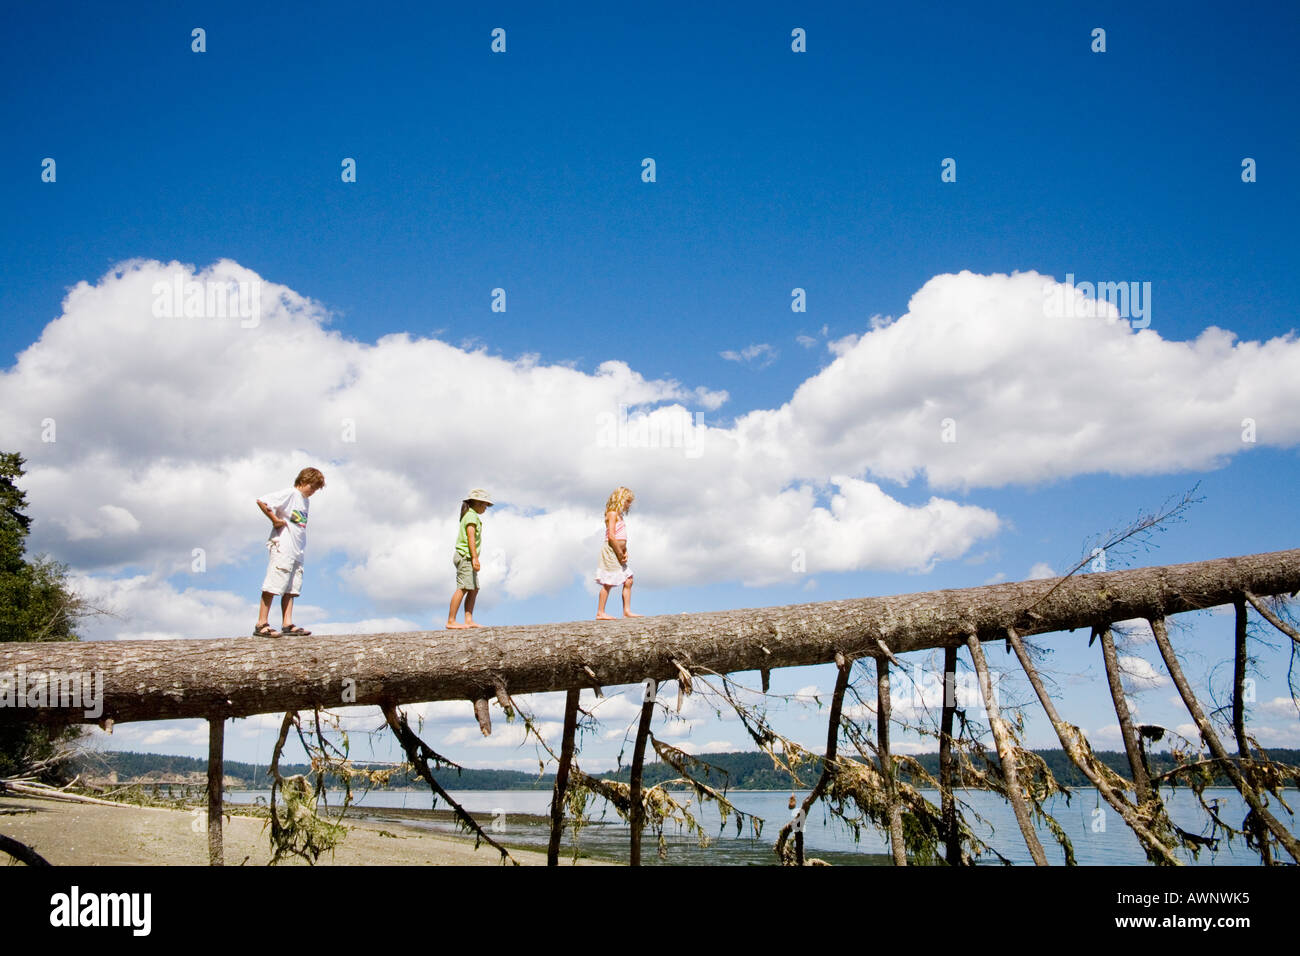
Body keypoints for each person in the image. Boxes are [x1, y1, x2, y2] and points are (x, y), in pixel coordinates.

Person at [253, 467, 325, 637]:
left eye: (316, 489)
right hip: (283, 547)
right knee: (273, 584)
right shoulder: (291, 494)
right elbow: (262, 501)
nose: (313, 491)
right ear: (303, 481)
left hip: (297, 550)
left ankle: (287, 623)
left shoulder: (305, 501)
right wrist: (275, 520)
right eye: (312, 487)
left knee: (291, 588)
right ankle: (261, 623)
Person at [447, 489, 493, 629]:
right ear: (478, 503)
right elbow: (470, 537)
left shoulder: (471, 516)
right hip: (465, 556)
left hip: (468, 556)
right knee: (464, 587)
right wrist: (474, 558)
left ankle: (468, 619)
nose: (485, 508)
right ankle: (451, 620)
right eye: (485, 505)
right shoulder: (471, 517)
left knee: (474, 588)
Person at [596, 486, 642, 619]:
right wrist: (619, 553)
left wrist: (624, 551)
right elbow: (611, 536)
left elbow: (622, 537)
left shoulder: (621, 517)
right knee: (608, 581)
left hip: (618, 551)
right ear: (620, 500)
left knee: (628, 580)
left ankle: (626, 611)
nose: (629, 505)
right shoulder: (612, 514)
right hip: (611, 550)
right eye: (627, 501)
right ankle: (600, 612)